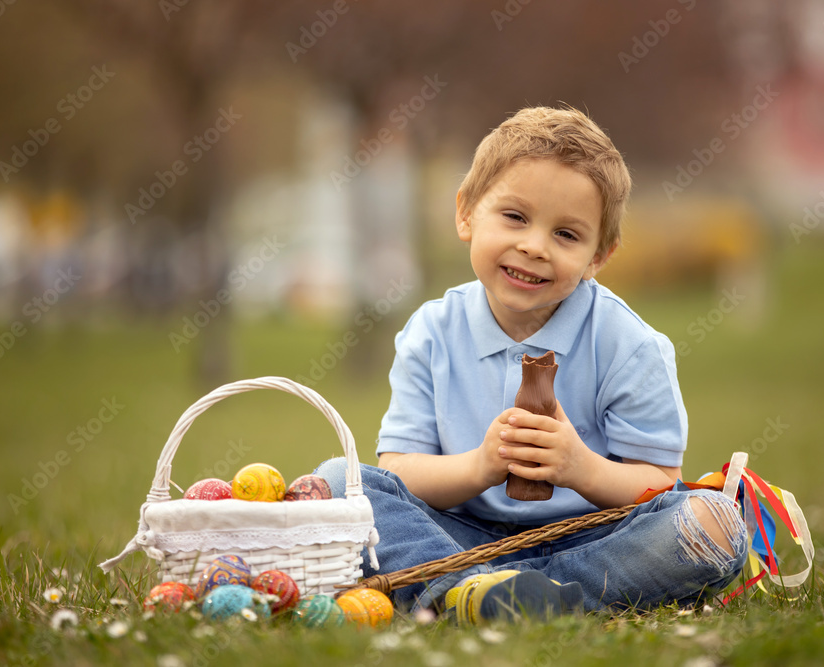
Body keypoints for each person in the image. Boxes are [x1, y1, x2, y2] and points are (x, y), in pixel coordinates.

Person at [315, 105, 748, 621]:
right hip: (457, 535)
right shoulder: (431, 332)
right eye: (515, 217)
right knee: (339, 481)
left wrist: (579, 467)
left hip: (594, 539)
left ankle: (497, 596)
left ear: (598, 257)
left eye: (566, 234)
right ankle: (471, 590)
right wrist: (480, 466)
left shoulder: (628, 344)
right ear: (466, 213)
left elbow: (657, 481)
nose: (533, 246)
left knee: (715, 525)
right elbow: (402, 471)